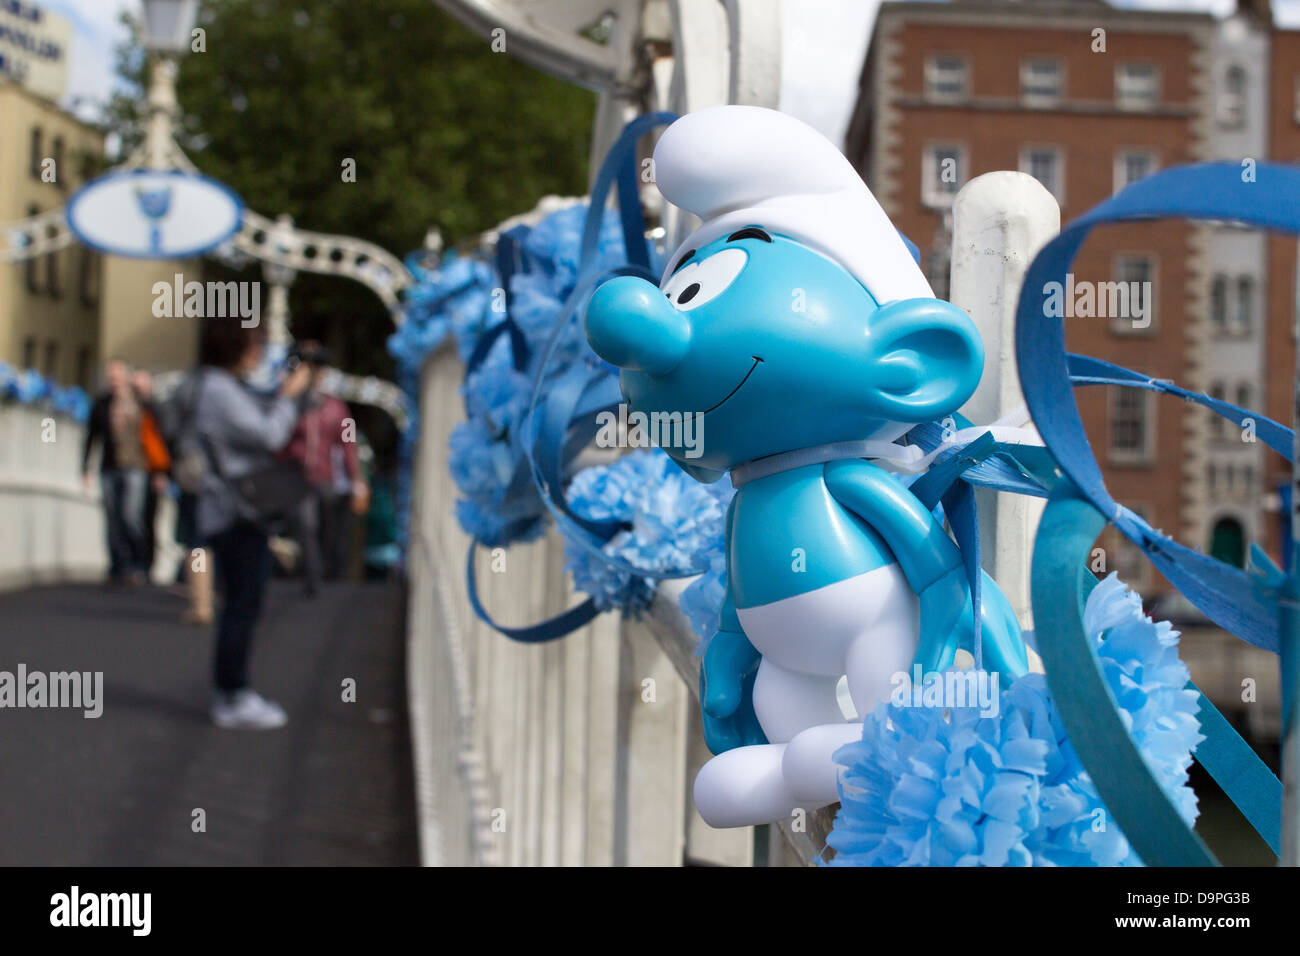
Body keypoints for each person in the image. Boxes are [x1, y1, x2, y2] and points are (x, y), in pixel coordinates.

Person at [194, 319, 311, 730]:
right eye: (254, 342)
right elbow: (269, 436)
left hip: (232, 510)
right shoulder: (218, 389)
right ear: (233, 346)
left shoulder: (217, 385)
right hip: (236, 512)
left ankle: (233, 691)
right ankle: (232, 694)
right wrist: (290, 398)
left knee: (242, 604)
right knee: (242, 605)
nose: (259, 350)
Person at [281, 342, 367, 593]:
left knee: (329, 528)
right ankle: (312, 574)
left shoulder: (337, 408)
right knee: (306, 525)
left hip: (326, 477)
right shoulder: (288, 404)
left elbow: (349, 442)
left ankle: (329, 573)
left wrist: (357, 479)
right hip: (296, 476)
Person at [82, 359, 150, 586]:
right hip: (109, 467)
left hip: (136, 466)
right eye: (110, 377)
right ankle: (117, 567)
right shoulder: (101, 404)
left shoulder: (141, 402)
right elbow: (92, 437)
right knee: (112, 519)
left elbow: (159, 432)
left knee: (131, 516)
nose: (114, 381)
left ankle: (138, 564)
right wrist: (85, 468)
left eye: (117, 376)